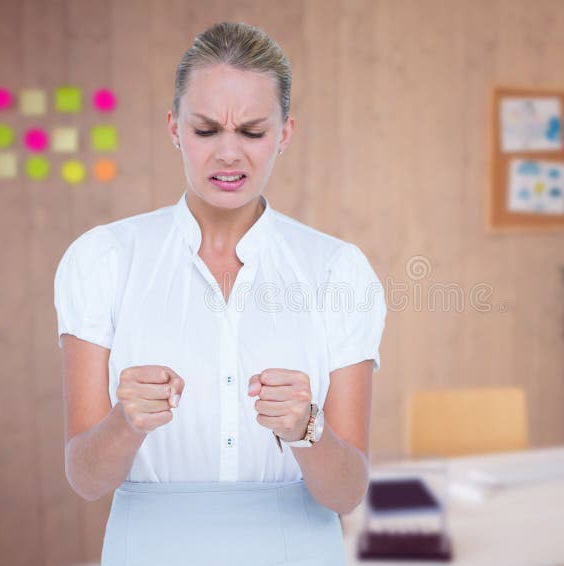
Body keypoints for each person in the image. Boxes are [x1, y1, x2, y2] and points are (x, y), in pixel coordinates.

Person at [54, 21, 387, 565]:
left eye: (253, 132)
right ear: (173, 128)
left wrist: (308, 429)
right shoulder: (103, 260)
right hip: (151, 548)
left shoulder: (338, 272)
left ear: (284, 134)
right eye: (206, 130)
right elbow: (86, 478)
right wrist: (125, 421)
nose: (228, 153)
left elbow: (347, 493)